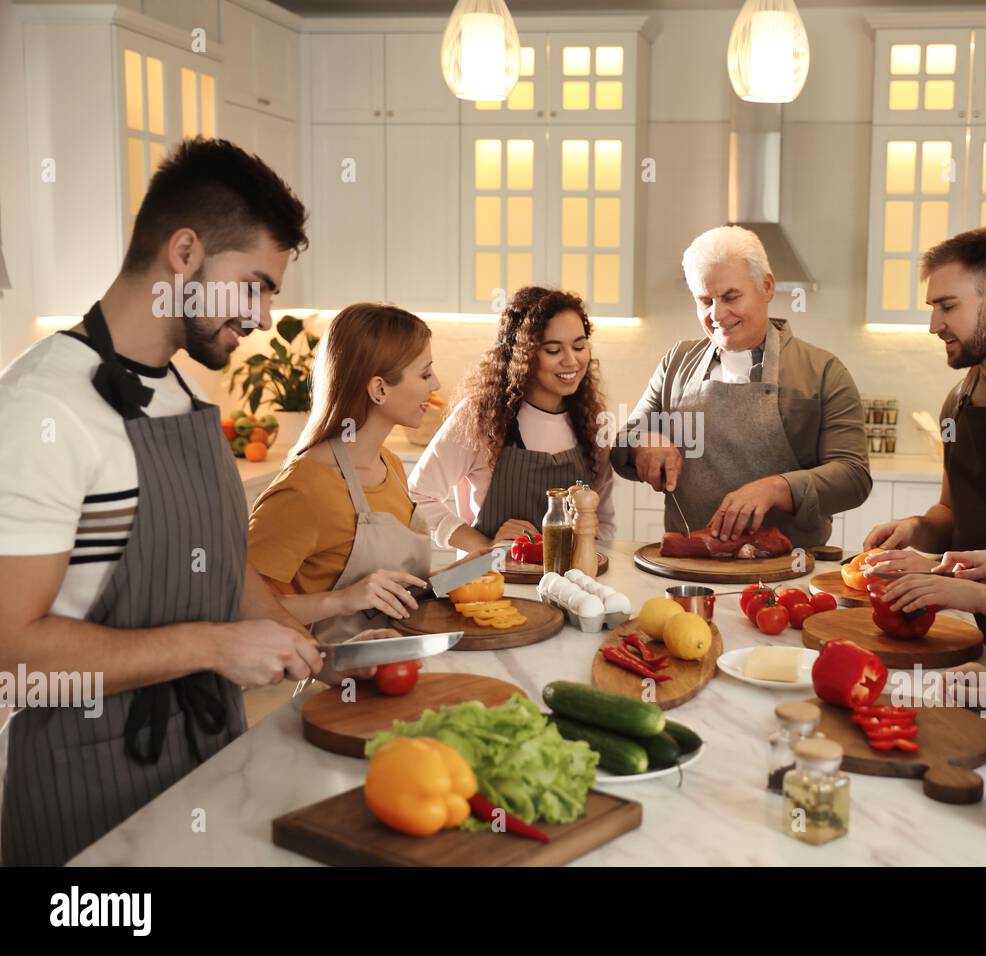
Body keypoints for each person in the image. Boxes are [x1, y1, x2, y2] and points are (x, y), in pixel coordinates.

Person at [0, 138, 332, 866]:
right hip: (83, 792)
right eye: (254, 284)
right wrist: (215, 647)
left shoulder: (183, 394)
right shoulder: (41, 408)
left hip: (207, 762)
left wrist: (302, 644)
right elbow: (12, 657)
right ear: (184, 253)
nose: (265, 316)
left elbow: (215, 563)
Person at [611, 225, 871, 548]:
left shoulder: (824, 372)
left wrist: (777, 488)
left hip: (789, 577)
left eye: (731, 296)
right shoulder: (675, 363)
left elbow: (854, 477)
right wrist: (642, 441)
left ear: (767, 286)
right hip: (690, 569)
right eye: (704, 301)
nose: (717, 314)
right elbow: (623, 439)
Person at [863, 228, 986, 675]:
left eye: (947, 306)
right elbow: (950, 510)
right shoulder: (957, 400)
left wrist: (942, 568)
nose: (934, 325)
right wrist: (914, 529)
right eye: (933, 308)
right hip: (963, 615)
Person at [247, 303, 440, 641]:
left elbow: (395, 584)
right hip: (337, 680)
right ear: (379, 389)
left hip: (403, 664)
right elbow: (242, 610)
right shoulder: (304, 489)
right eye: (425, 374)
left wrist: (459, 576)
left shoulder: (389, 465)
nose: (435, 384)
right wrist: (341, 600)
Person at [408, 287, 614, 552]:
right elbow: (417, 496)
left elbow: (605, 525)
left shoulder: (593, 424)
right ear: (522, 354)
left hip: (569, 585)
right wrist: (485, 546)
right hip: (488, 581)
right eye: (553, 350)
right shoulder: (481, 418)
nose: (571, 361)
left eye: (579, 346)